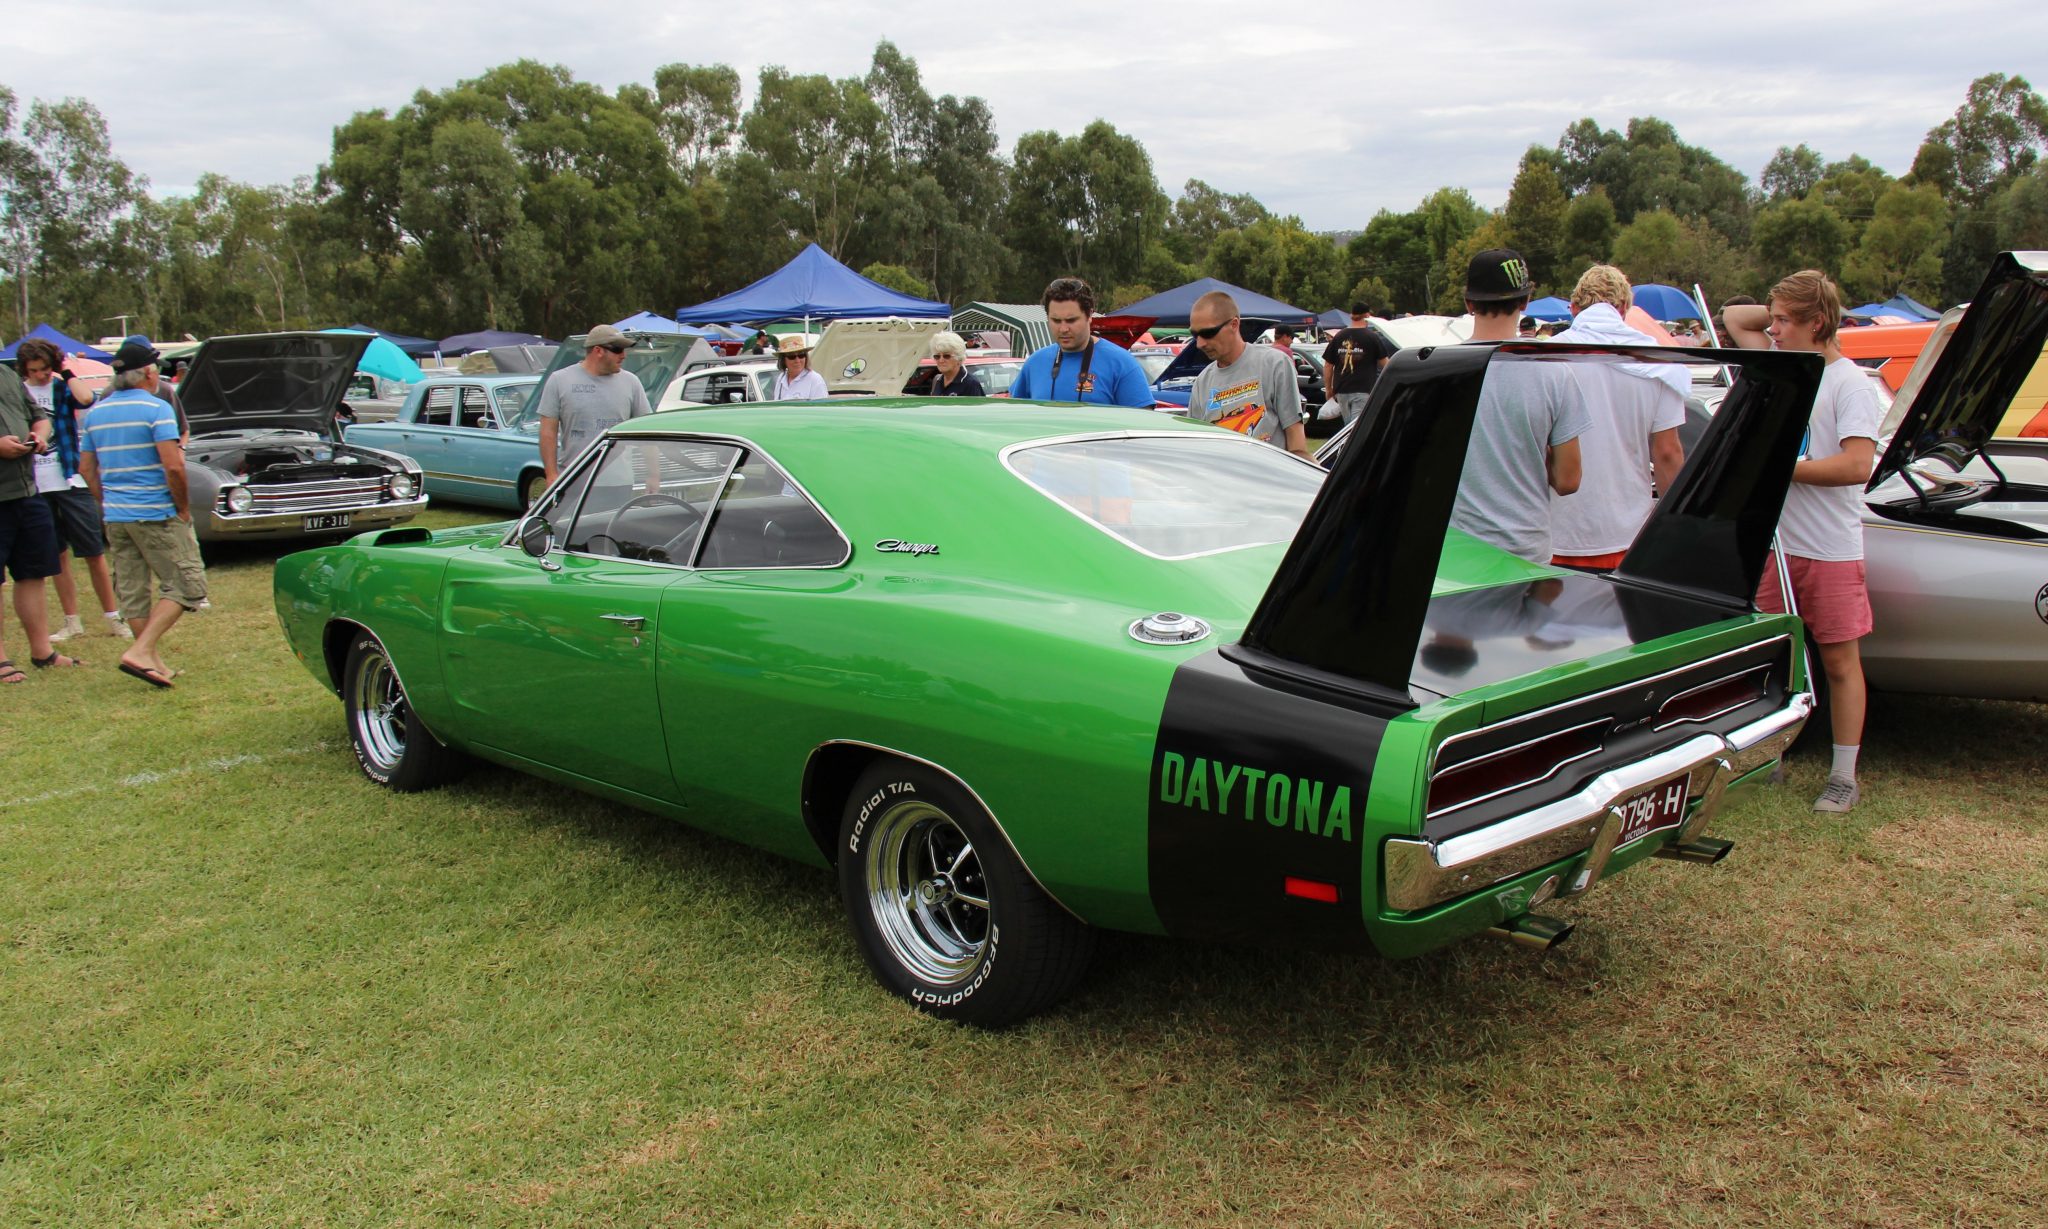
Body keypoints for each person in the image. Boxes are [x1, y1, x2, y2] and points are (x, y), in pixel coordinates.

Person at [1724, 271, 1881, 813]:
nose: (1772, 331)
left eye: (1786, 321)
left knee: (1838, 663)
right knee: (1771, 659)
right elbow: (1733, 319)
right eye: (1772, 320)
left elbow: (1858, 464)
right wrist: (1779, 306)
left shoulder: (1851, 384)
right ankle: (1770, 757)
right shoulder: (1792, 369)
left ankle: (1843, 775)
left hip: (1830, 550)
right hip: (1779, 548)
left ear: (1818, 323)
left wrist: (1785, 469)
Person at [1451, 248, 1590, 563]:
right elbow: (1568, 480)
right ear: (1525, 301)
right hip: (1526, 550)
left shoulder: (1439, 371)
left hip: (1457, 552)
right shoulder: (1554, 371)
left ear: (1469, 303)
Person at [78, 338, 202, 689]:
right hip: (156, 512)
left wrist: (107, 502)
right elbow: (174, 466)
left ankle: (153, 663)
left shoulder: (96, 414)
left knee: (132, 590)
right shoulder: (156, 409)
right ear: (149, 373)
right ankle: (141, 649)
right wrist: (181, 508)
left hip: (117, 516)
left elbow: (87, 469)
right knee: (187, 585)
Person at [1547, 265, 1688, 572]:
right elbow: (1667, 454)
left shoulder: (1543, 358)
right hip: (1628, 536)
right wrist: (1676, 534)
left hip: (1553, 534)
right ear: (1624, 309)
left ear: (1573, 309)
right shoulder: (1658, 364)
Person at [14, 339, 126, 642]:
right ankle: (71, 621)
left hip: (70, 479)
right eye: (33, 370)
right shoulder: (18, 392)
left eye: (45, 368)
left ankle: (113, 617)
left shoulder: (60, 386)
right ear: (24, 368)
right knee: (57, 555)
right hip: (35, 484)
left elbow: (87, 399)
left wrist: (66, 371)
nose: (39, 375)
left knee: (93, 551)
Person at [1, 355, 82, 682]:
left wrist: (38, 435)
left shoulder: (7, 375)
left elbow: (39, 416)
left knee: (33, 572)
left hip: (26, 491)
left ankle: (42, 651)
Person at [1185, 290, 1309, 458]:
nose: (1200, 343)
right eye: (1195, 335)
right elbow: (1197, 450)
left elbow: (1296, 443)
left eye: (1208, 333)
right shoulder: (1202, 383)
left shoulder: (1274, 364)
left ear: (1234, 324)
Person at [1008, 277, 1154, 407]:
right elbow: (1015, 417)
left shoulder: (1122, 363)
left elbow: (1145, 426)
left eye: (1071, 320)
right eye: (1056, 320)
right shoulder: (1035, 363)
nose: (1063, 329)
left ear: (1089, 315)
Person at [536, 324, 652, 484]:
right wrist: (551, 475)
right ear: (598, 351)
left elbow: (646, 431)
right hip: (572, 482)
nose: (624, 355)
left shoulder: (631, 382)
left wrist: (653, 476)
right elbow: (547, 433)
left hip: (618, 484)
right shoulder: (559, 380)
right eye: (618, 349)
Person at [1320, 303, 1389, 426]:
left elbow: (1328, 365)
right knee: (1356, 428)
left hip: (1341, 390)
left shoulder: (1339, 336)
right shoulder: (1372, 337)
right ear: (1367, 315)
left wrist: (1329, 389)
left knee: (1348, 426)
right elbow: (1386, 364)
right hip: (1363, 389)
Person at [771, 335, 829, 400]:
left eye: (801, 355)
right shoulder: (781, 378)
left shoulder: (815, 379)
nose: (797, 360)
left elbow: (820, 408)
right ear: (783, 360)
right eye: (791, 356)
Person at [926, 331, 984, 396]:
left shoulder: (971, 384)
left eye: (946, 356)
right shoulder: (937, 380)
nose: (941, 360)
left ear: (958, 358)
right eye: (937, 356)